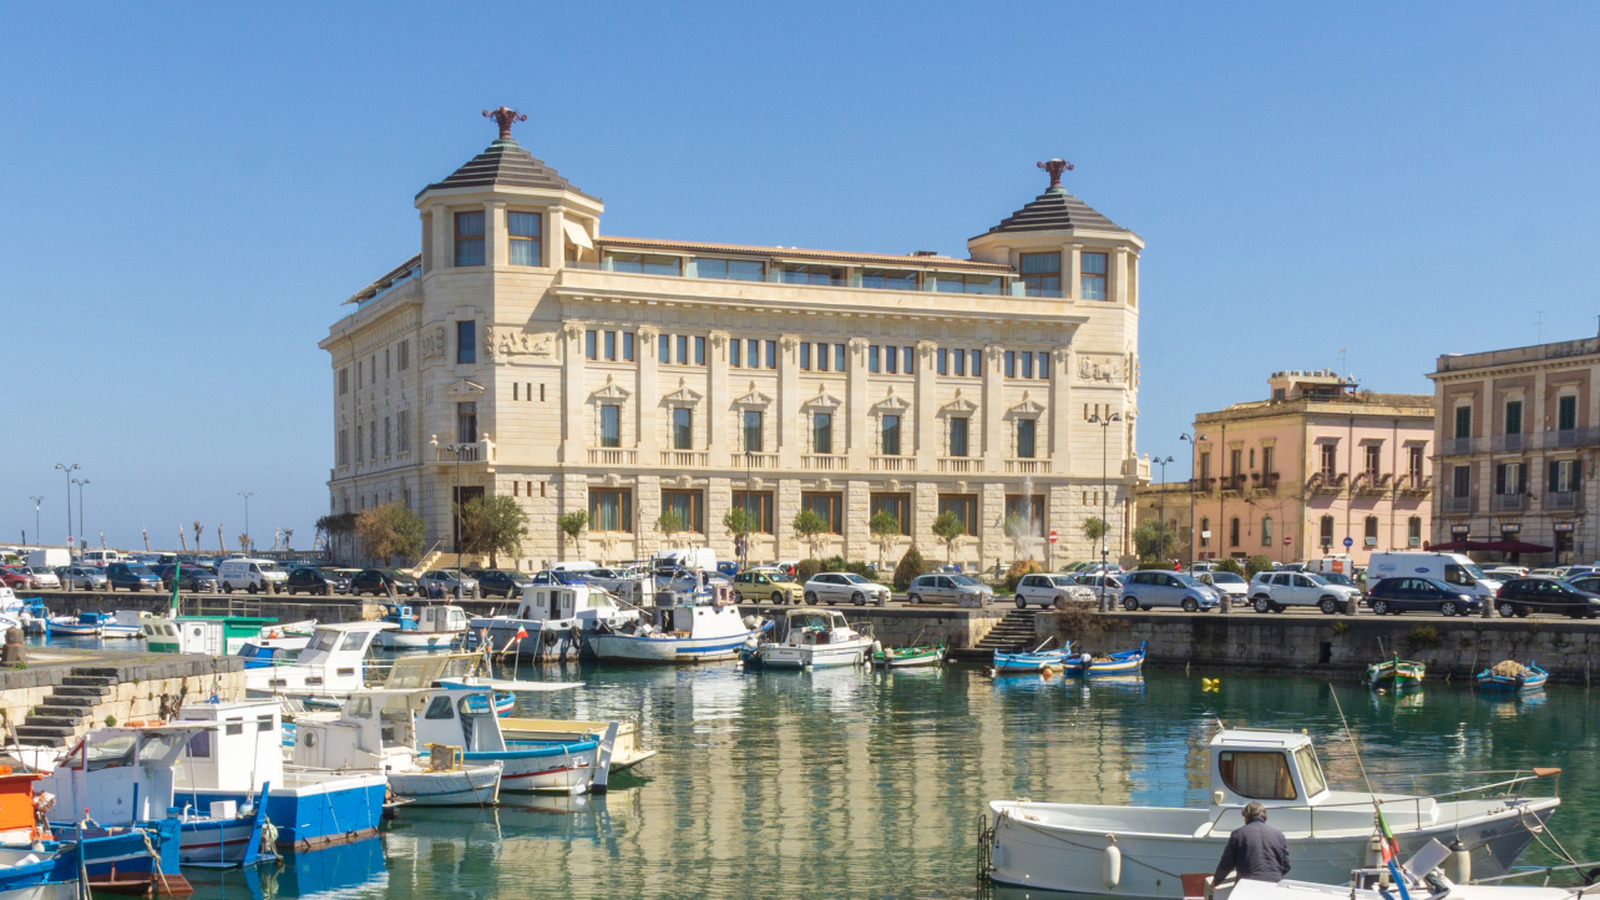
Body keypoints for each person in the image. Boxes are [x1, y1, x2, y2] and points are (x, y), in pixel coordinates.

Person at [1213, 802, 1290, 886]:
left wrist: (1216, 881)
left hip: (1248, 883)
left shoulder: (1238, 834)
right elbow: (1286, 865)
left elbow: (1227, 863)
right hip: (1274, 883)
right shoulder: (1279, 835)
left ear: (1246, 818)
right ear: (1264, 818)